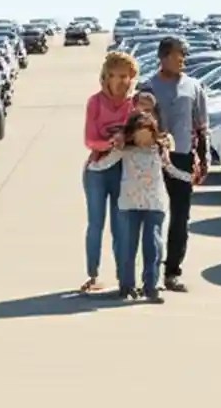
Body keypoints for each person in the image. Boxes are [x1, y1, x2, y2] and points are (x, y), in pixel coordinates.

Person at [139, 36, 209, 292]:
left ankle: (172, 272)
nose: (183, 59)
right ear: (164, 56)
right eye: (180, 54)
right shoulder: (148, 87)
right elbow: (139, 122)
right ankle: (150, 272)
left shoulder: (194, 87)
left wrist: (203, 160)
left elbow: (202, 127)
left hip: (182, 159)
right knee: (152, 215)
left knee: (180, 216)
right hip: (153, 159)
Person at [114, 112, 194, 301]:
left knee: (154, 246)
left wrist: (189, 178)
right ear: (131, 135)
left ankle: (151, 286)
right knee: (128, 247)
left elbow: (169, 168)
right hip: (129, 203)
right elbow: (105, 163)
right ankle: (127, 286)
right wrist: (93, 166)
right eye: (139, 136)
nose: (143, 141)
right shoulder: (124, 151)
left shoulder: (158, 150)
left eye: (147, 136)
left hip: (154, 204)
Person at [79, 51, 138, 294]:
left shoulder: (134, 104)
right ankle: (92, 275)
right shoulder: (95, 101)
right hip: (97, 170)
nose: (121, 81)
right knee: (96, 223)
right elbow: (89, 140)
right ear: (107, 76)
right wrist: (111, 143)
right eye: (116, 76)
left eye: (126, 76)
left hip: (123, 171)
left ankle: (122, 275)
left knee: (120, 226)